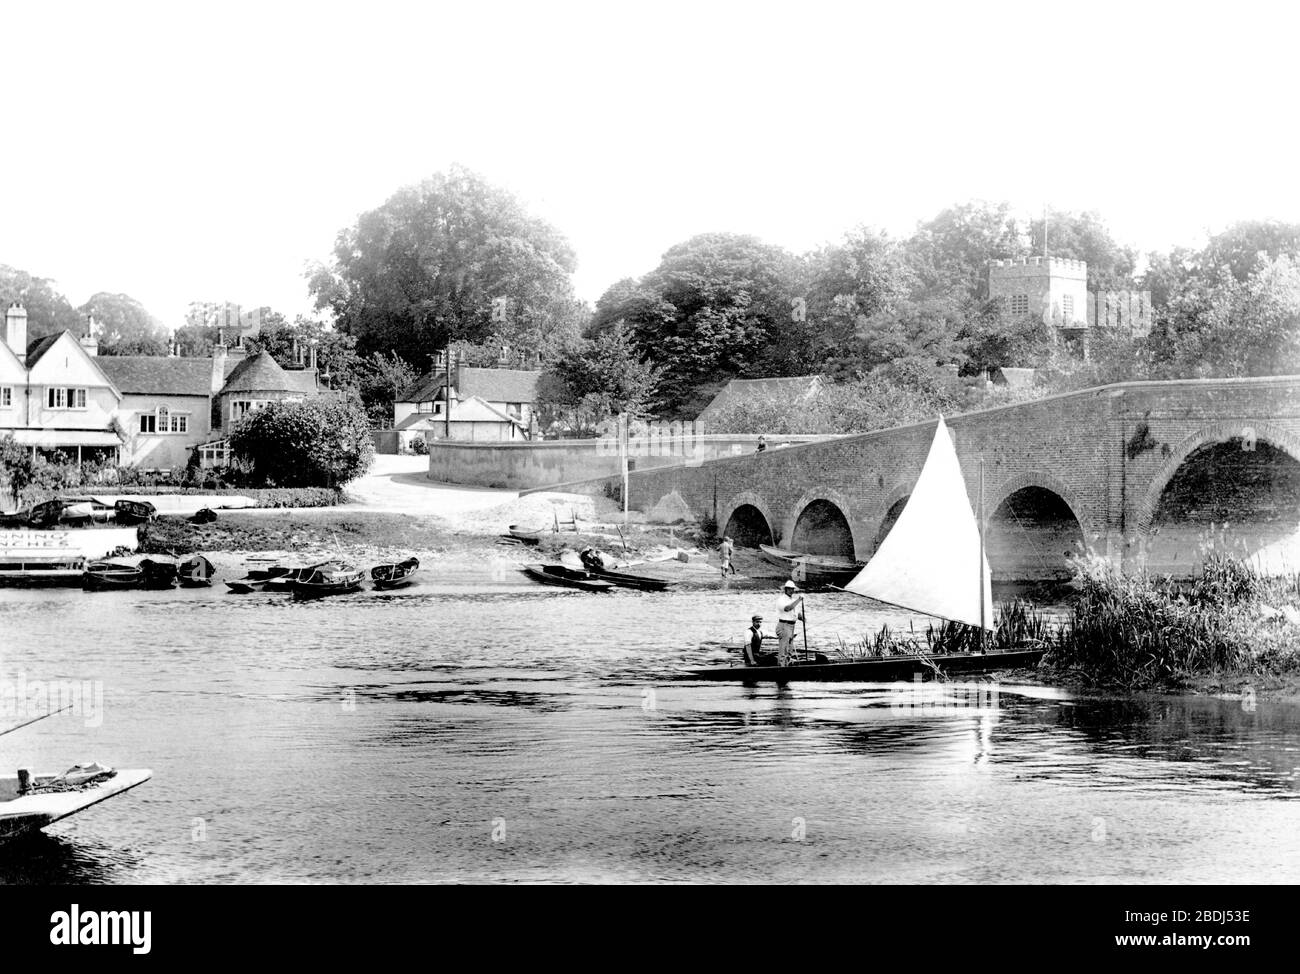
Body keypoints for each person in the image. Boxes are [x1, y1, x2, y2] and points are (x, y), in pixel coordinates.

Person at [776, 579, 804, 667]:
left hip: (791, 626)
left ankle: (787, 665)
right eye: (789, 589)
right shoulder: (781, 600)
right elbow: (788, 608)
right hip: (784, 625)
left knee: (789, 649)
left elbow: (797, 613)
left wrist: (803, 618)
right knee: (783, 649)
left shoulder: (793, 600)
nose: (792, 591)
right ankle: (781, 667)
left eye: (793, 589)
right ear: (786, 589)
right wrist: (799, 600)